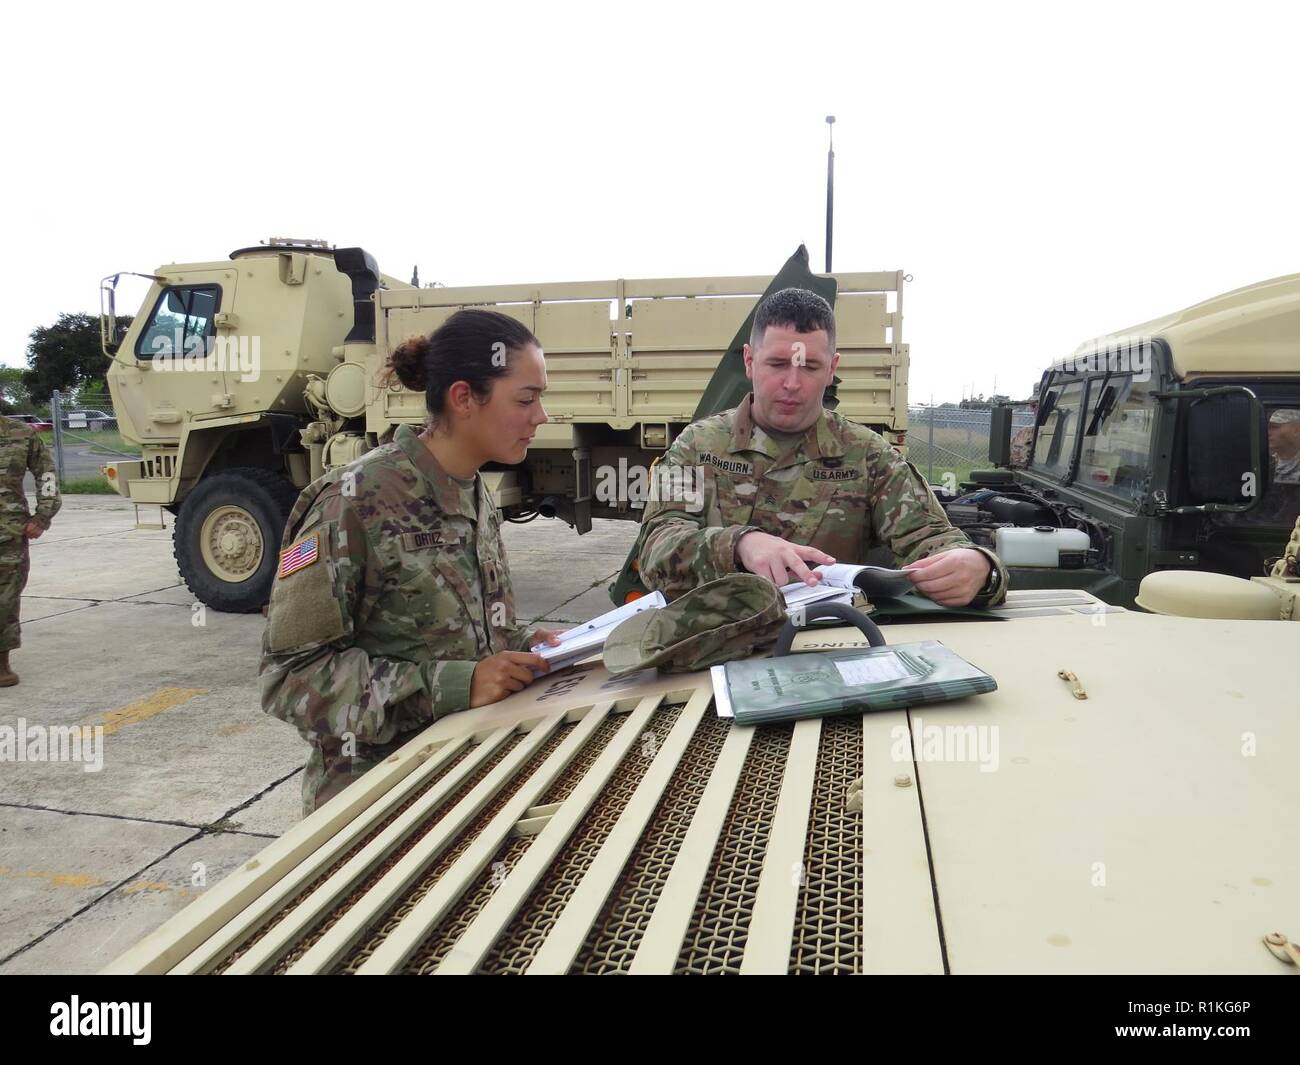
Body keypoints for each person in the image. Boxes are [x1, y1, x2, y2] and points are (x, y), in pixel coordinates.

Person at [260, 310, 560, 815]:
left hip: (458, 783)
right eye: (526, 399)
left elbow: (459, 633)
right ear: (463, 398)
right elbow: (288, 678)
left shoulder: (473, 491)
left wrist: (523, 644)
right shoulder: (353, 500)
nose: (541, 416)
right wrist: (452, 685)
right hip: (376, 806)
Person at [636, 288, 1007, 607]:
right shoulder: (697, 446)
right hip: (710, 644)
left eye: (810, 367)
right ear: (749, 361)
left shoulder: (868, 456)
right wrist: (738, 545)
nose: (792, 383)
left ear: (832, 368)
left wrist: (980, 568)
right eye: (777, 363)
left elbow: (932, 539)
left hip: (827, 642)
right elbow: (656, 549)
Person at [0, 414, 61, 686]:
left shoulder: (22, 434)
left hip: (9, 532)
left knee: (5, 599)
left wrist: (43, 515)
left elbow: (46, 474)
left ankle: (1, 663)